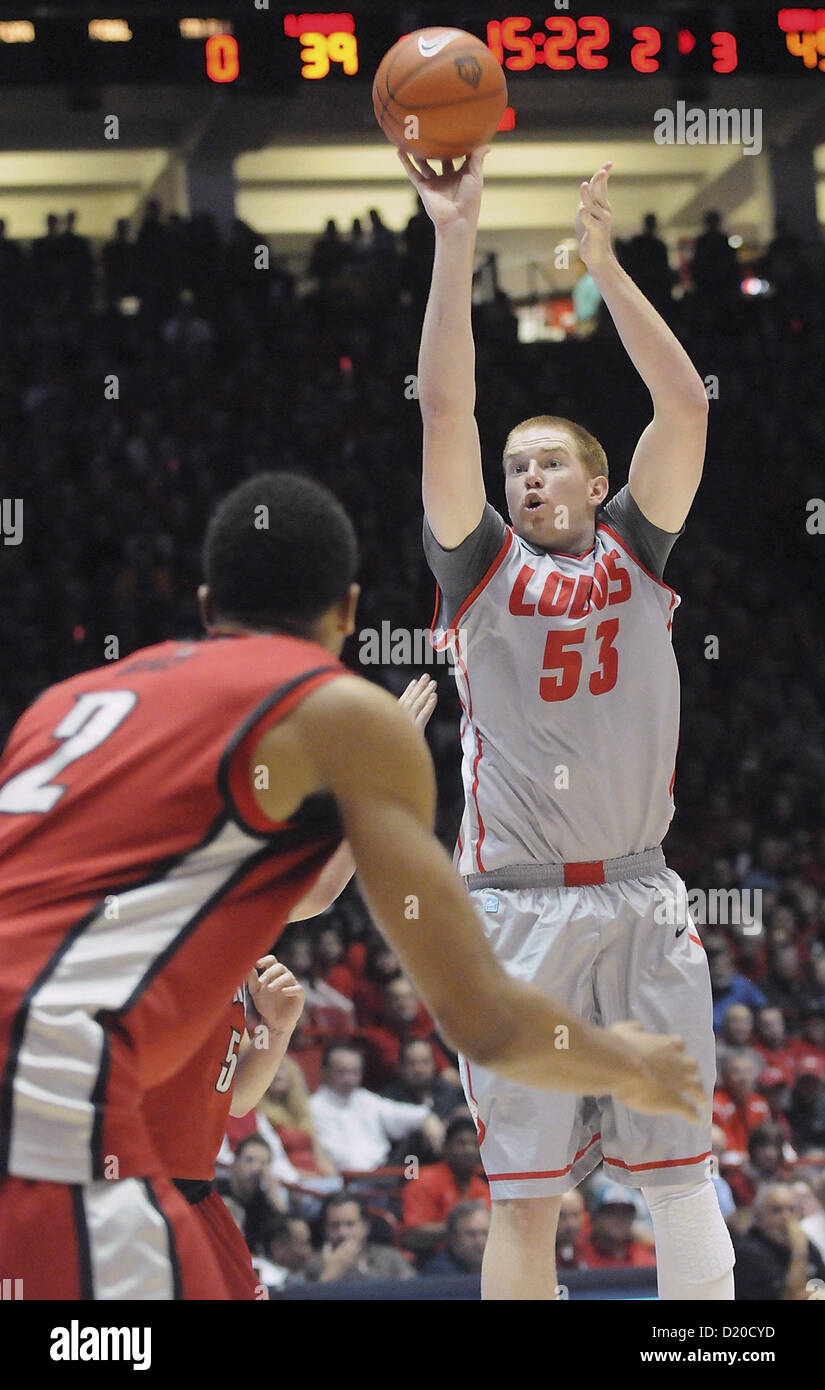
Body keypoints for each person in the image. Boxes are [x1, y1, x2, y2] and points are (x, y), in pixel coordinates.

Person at [0, 470, 701, 1300]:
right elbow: (481, 1014)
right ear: (347, 611)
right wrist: (621, 1062)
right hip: (56, 1127)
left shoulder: (64, 708)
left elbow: (282, 899)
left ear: (202, 604)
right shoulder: (330, 711)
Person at [398, 143, 728, 1300]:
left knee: (683, 1175)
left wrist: (606, 267)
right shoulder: (479, 564)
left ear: (598, 484)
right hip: (515, 908)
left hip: (639, 889)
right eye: (513, 466)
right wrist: (454, 233)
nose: (525, 478)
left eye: (548, 464)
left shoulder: (641, 549)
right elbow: (447, 400)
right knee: (527, 1202)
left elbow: (685, 402)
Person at [308, 1042, 443, 1173]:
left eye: (354, 1072)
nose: (348, 1079)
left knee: (418, 1137)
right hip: (341, 1181)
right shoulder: (311, 1108)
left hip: (381, 1175)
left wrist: (427, 1118)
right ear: (324, 1071)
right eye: (341, 1072)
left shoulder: (367, 1099)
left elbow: (405, 1114)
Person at [402, 1116, 490, 1257]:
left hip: (478, 1257)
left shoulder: (482, 1187)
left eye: (475, 1144)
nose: (469, 1150)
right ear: (446, 1148)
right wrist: (461, 1229)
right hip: (433, 1260)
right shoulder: (425, 1181)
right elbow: (412, 1234)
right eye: (461, 1143)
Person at [733, 1182, 825, 1300]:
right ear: (758, 1216)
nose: (786, 1217)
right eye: (777, 1210)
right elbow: (789, 1296)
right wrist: (799, 1252)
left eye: (792, 1209)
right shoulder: (748, 1252)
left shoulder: (805, 1242)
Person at [305, 1190, 415, 1283]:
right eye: (334, 1225)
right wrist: (330, 1273)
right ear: (324, 1229)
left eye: (350, 1224)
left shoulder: (390, 1259)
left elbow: (415, 1292)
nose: (343, 1233)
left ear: (365, 1227)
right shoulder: (314, 1266)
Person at [216, 1133, 287, 1255]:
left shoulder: (264, 1206)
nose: (255, 1168)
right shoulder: (212, 1192)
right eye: (249, 1160)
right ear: (235, 1162)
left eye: (263, 1163)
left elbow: (280, 1248)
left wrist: (277, 1203)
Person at [577, 1184, 657, 1269]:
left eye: (625, 1213)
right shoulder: (579, 1253)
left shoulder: (644, 1257)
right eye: (610, 1212)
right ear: (595, 1218)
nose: (619, 1219)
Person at [420, 1200, 490, 1277]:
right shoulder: (437, 1275)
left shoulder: (501, 1267)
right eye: (471, 1234)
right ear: (453, 1239)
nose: (480, 1242)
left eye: (485, 1233)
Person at [252, 1215, 314, 1291]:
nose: (308, 1250)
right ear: (278, 1247)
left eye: (308, 1243)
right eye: (302, 1244)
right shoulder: (261, 1278)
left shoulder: (302, 1274)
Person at [555, 1189, 589, 1270]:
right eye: (561, 1216)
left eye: (575, 1215)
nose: (570, 1224)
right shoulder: (535, 1256)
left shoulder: (589, 1251)